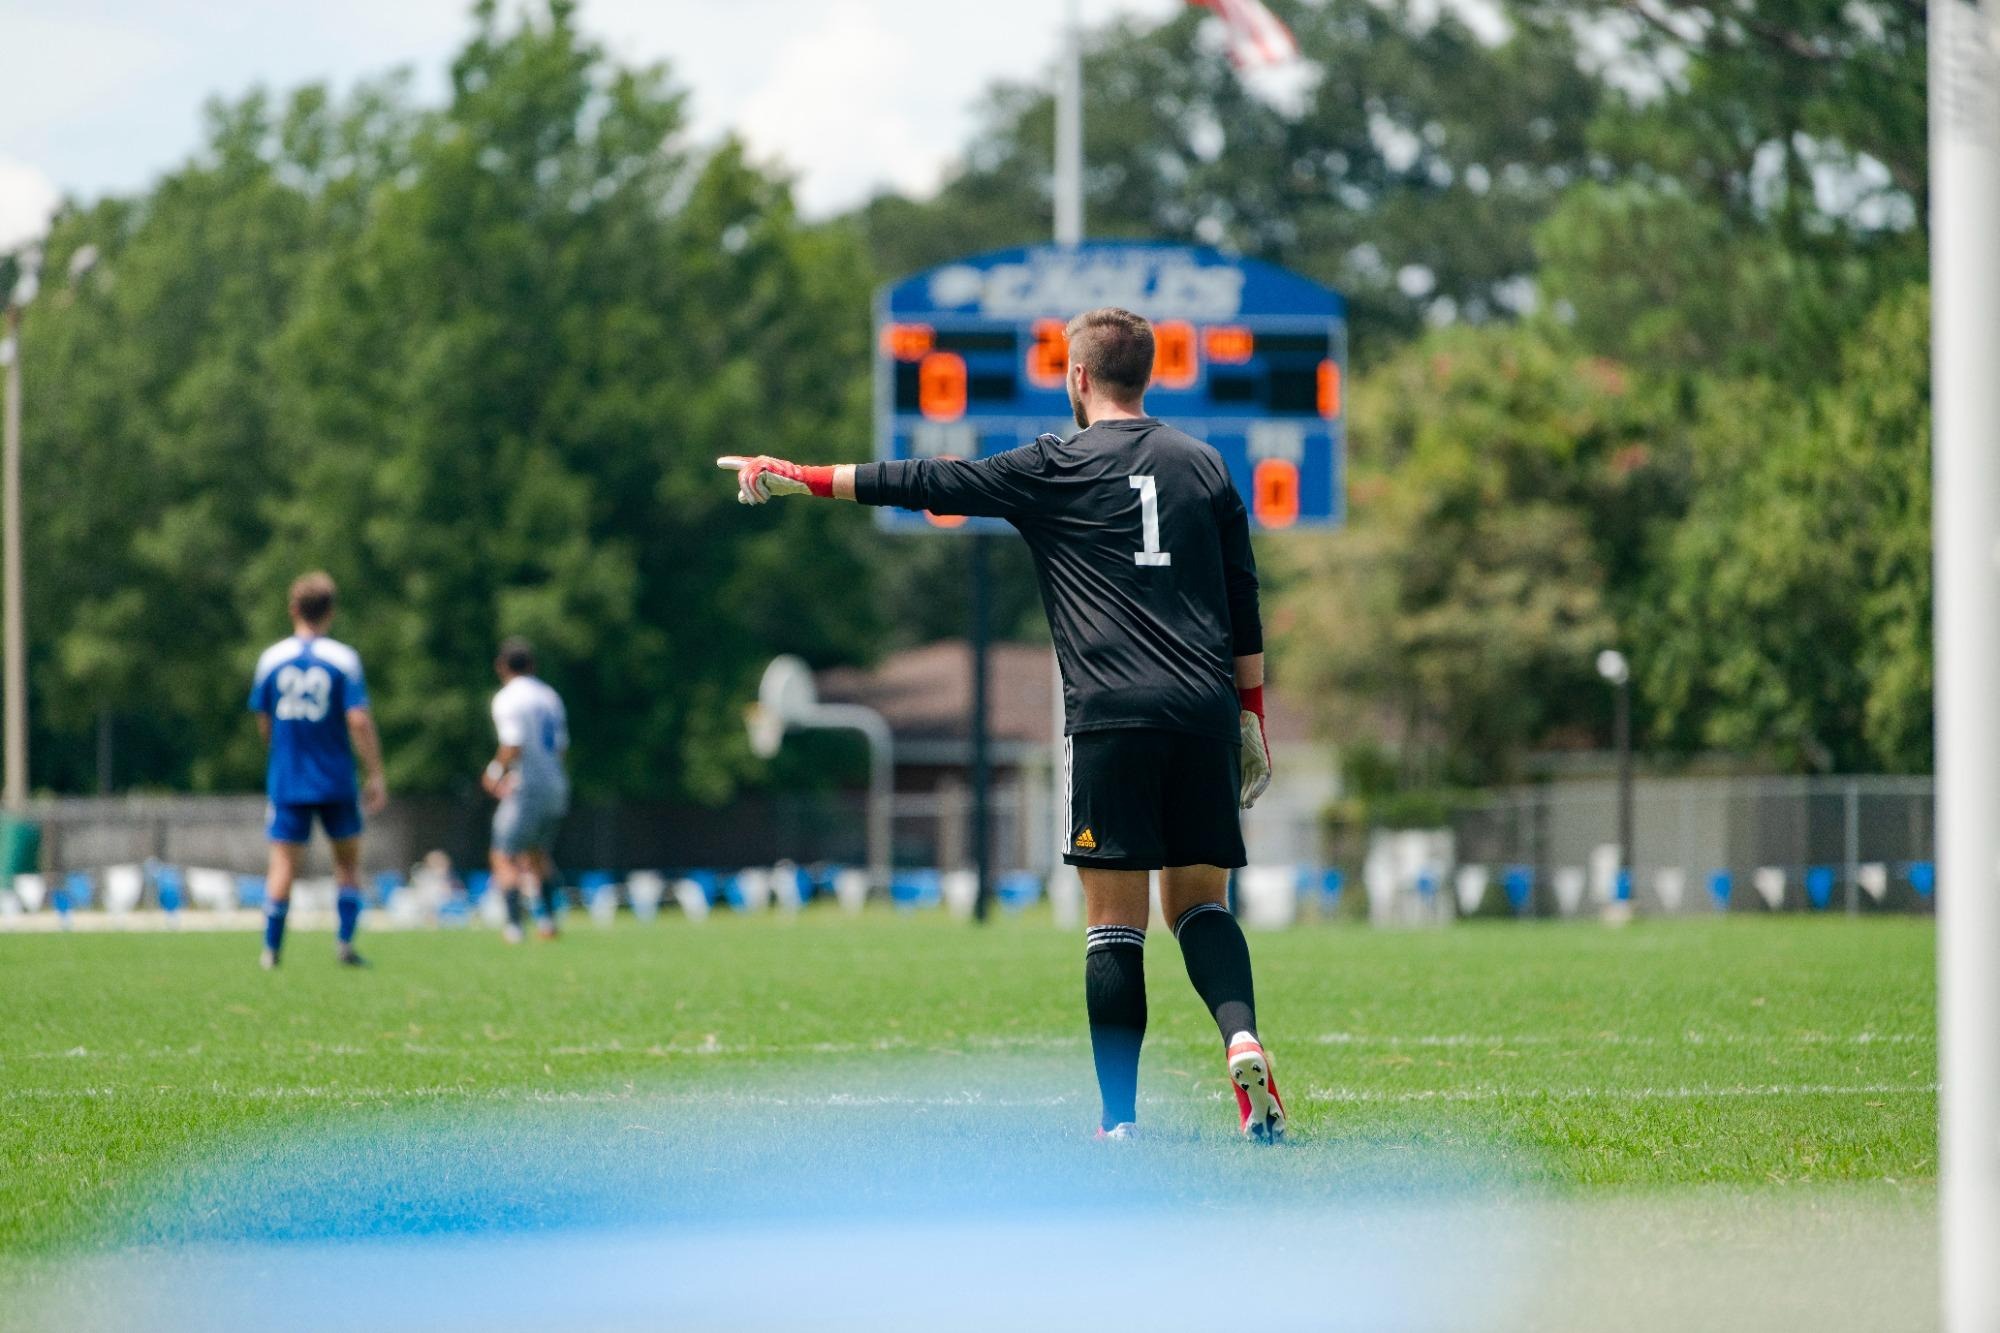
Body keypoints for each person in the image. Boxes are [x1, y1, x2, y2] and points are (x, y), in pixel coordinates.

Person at [718, 307, 1284, 1141]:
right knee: (1200, 902)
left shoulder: (1053, 465)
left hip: (1109, 720)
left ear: (1079, 378)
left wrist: (796, 474)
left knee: (1113, 924)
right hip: (1202, 712)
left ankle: (1119, 1124)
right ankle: (1240, 1036)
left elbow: (924, 482)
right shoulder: (1205, 466)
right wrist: (1251, 718)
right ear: (1148, 376)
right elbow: (1244, 603)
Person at [248, 572, 387, 969]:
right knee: (346, 862)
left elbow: (263, 720)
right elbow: (358, 720)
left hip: (289, 777)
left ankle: (271, 951)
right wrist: (375, 772)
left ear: (293, 609)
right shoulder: (343, 659)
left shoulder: (271, 659)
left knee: (283, 864)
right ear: (331, 611)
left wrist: (278, 753)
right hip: (336, 777)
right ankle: (344, 945)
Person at [482, 636, 570, 943]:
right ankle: (547, 922)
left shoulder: (508, 697)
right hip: (556, 784)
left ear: (501, 666)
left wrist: (495, 772)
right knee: (538, 854)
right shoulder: (550, 696)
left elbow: (512, 744)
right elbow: (559, 749)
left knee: (502, 855)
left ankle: (514, 926)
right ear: (532, 665)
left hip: (527, 786)